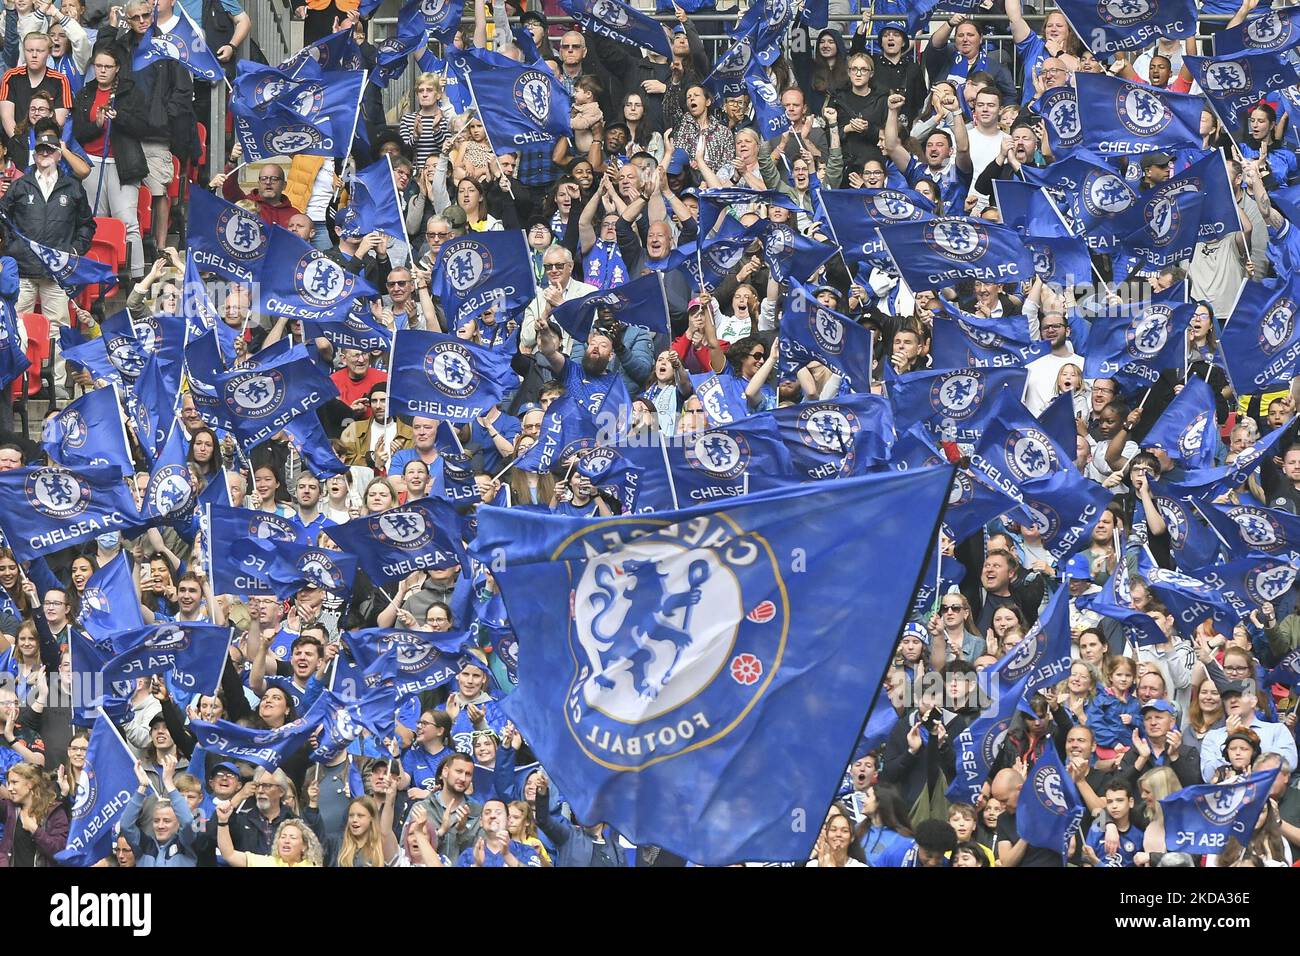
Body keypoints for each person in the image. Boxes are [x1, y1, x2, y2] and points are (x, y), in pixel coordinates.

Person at [0, 124, 93, 400]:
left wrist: (74, 250)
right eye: (40, 149)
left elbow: (87, 225)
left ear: (58, 153)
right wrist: (13, 247)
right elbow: (2, 217)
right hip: (24, 272)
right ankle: (18, 383)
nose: (45, 154)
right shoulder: (20, 185)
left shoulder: (73, 188)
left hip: (56, 273)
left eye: (50, 149)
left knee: (58, 326)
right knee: (16, 325)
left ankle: (59, 384)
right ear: (35, 153)